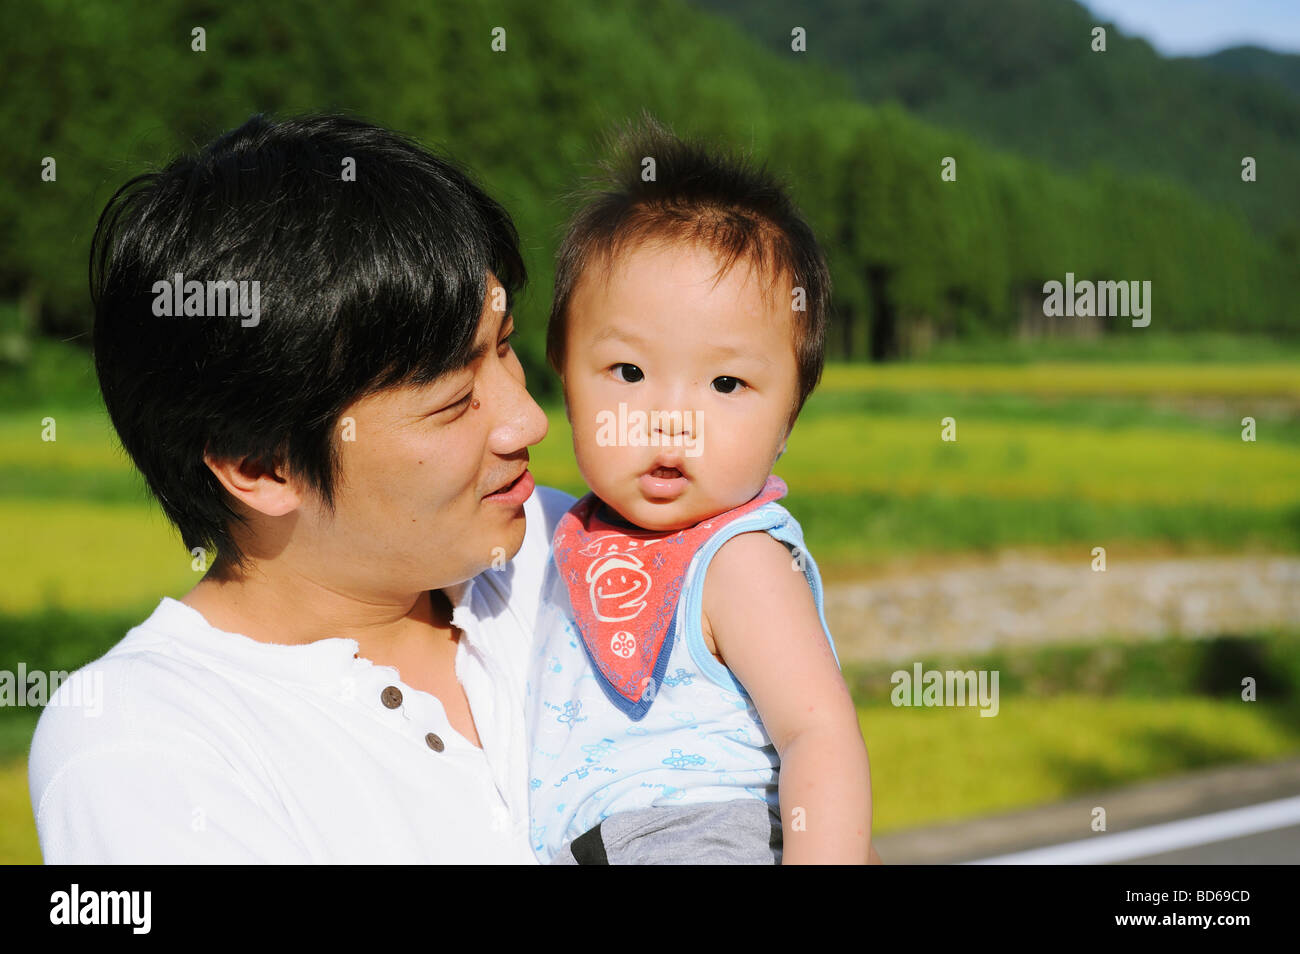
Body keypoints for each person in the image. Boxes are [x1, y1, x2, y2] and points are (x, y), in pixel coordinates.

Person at [27, 113, 573, 863]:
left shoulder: (586, 555)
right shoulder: (143, 742)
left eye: (504, 350)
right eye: (453, 402)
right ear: (260, 467)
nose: (527, 421)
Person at [526, 118, 877, 864]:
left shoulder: (736, 558)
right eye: (627, 372)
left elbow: (818, 732)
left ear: (789, 417)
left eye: (726, 383)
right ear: (561, 370)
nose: (671, 419)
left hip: (704, 839)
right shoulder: (555, 533)